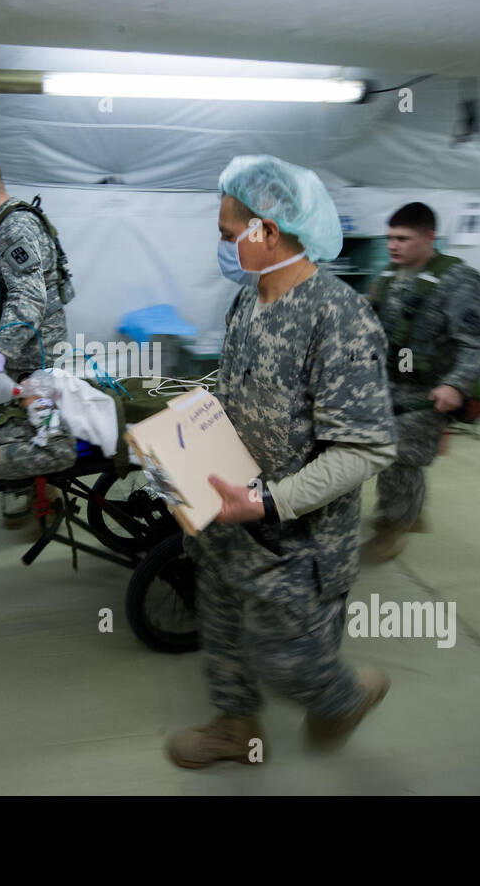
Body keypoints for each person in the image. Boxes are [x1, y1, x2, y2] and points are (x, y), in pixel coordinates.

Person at [166, 155, 398, 769]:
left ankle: (344, 698)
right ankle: (235, 726)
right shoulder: (246, 302)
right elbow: (239, 392)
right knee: (218, 627)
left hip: (298, 540)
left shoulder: (340, 317)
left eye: (226, 234)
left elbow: (366, 447)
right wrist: (184, 445)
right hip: (228, 518)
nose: (221, 245)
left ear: (265, 231)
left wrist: (270, 501)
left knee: (286, 659)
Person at [360, 202, 480, 564]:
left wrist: (456, 385)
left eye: (404, 239)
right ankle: (411, 508)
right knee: (379, 451)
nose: (394, 245)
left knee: (400, 458)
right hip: (388, 383)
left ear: (429, 237)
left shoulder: (459, 282)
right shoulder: (390, 276)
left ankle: (393, 527)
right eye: (390, 238)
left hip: (429, 391)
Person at [0, 151, 75, 521]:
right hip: (23, 357)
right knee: (24, 428)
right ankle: (38, 497)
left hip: (35, 359)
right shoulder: (1, 225)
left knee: (46, 433)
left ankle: (49, 504)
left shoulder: (15, 227)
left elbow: (28, 296)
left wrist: (0, 351)